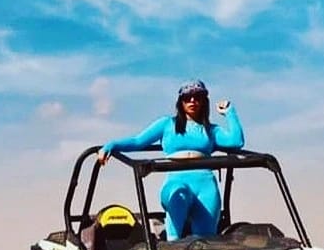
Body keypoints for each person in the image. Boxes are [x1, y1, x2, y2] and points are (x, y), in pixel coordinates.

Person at [98, 80, 244, 241]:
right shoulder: (167, 124)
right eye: (187, 97)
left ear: (204, 101)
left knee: (207, 239)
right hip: (177, 182)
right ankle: (170, 244)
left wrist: (230, 113)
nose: (192, 101)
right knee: (179, 197)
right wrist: (111, 145)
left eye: (198, 97)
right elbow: (138, 141)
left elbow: (236, 141)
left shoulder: (211, 130)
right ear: (180, 102)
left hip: (205, 185)